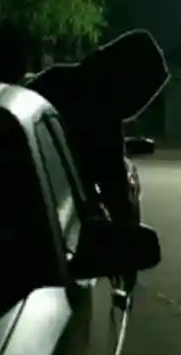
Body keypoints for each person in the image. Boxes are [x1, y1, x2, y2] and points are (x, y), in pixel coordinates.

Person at [24, 29, 169, 226]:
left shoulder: (53, 80)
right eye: (144, 92)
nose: (142, 105)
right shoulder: (103, 118)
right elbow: (117, 196)